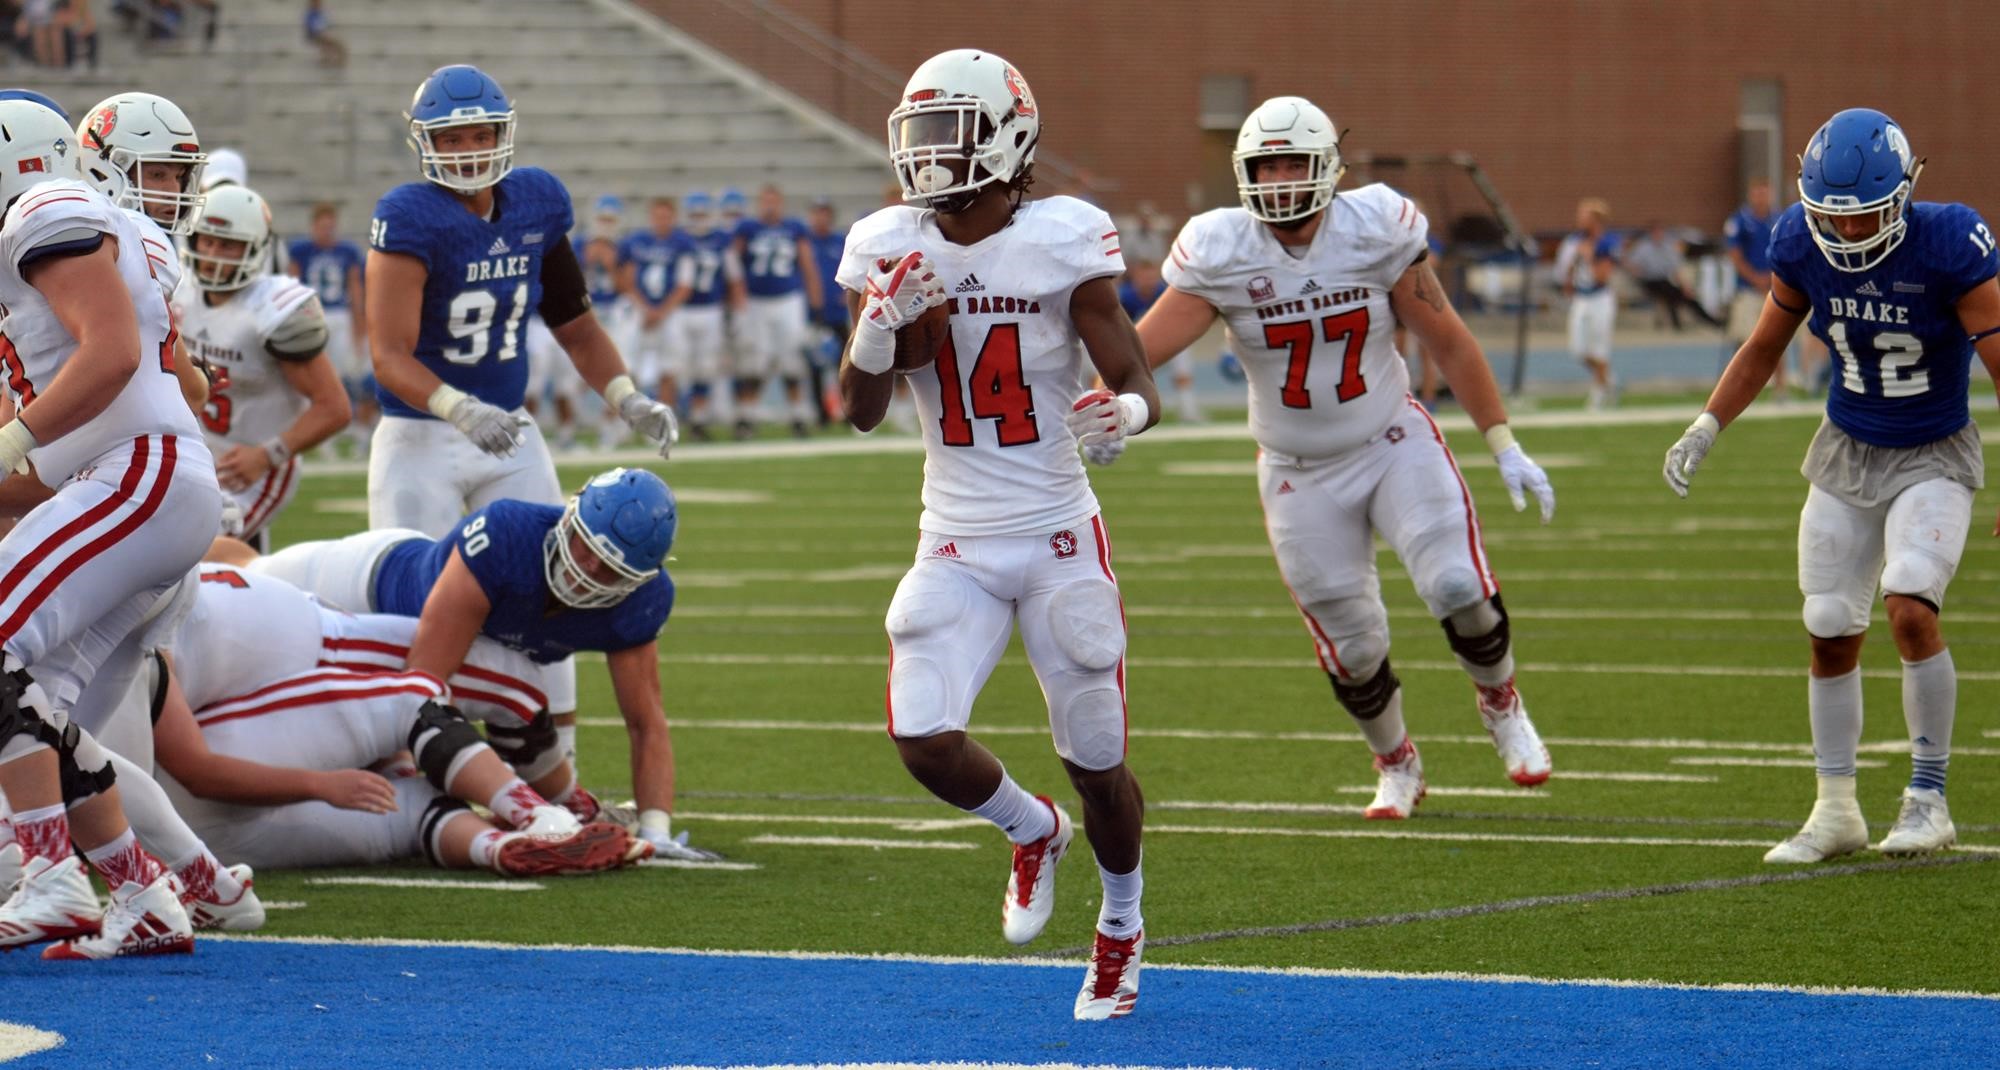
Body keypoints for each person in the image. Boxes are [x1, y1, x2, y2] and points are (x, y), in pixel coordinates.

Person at [1126, 94, 1555, 825]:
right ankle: (1396, 762)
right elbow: (1139, 351)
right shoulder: (1223, 247)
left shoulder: (1376, 227)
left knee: (1456, 584)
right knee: (1353, 645)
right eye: (1268, 164)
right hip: (1296, 465)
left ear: (1329, 166)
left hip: (1391, 438)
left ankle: (1500, 699)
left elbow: (1448, 340)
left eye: (1296, 162)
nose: (1282, 179)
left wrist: (1502, 441)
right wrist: (1115, 403)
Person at [840, 50, 1160, 1020]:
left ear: (1009, 137)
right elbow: (858, 411)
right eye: (920, 134)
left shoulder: (1062, 239)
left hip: (1057, 526)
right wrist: (873, 331)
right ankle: (1030, 829)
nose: (928, 155)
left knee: (1097, 757)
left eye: (950, 133)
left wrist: (1126, 416)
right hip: (955, 532)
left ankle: (1119, 923)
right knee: (920, 734)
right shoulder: (890, 241)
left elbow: (1132, 367)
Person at [1664, 108, 1999, 864]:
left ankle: (1928, 797)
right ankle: (1836, 808)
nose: (1849, 235)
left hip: (1933, 450)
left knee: (1911, 600)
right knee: (1826, 622)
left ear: (1906, 194)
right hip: (1846, 449)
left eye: (1866, 219)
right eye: (1834, 221)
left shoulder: (1950, 241)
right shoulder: (1795, 240)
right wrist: (1706, 425)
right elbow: (1763, 346)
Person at [365, 64, 678, 770]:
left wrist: (626, 396)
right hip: (421, 436)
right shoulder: (409, 215)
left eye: (481, 133)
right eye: (453, 137)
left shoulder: (536, 202)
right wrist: (455, 404)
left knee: (563, 591)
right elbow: (386, 355)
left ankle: (554, 765)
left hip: (510, 433)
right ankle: (403, 760)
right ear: (425, 144)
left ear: (504, 132)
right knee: (404, 608)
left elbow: (575, 323)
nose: (470, 148)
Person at [224, 467, 718, 861]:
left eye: (609, 568)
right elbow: (419, 690)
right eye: (584, 547)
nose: (585, 569)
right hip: (364, 592)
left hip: (468, 654)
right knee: (240, 574)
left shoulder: (642, 602)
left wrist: (658, 830)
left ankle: (570, 806)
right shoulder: (508, 536)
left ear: (639, 579)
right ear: (569, 517)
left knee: (521, 702)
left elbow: (644, 722)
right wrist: (408, 778)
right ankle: (212, 536)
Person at [0, 100, 223, 959]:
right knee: (31, 704)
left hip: (140, 476)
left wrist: (12, 438)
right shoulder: (85, 237)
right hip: (137, 481)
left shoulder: (41, 213)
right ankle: (142, 890)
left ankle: (51, 875)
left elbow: (115, 357)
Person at [143, 564, 635, 873]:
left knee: (402, 809)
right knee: (412, 700)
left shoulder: (141, 585)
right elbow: (196, 769)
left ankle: (499, 849)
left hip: (177, 828)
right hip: (193, 788)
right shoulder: (144, 628)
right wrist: (320, 784)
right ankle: (542, 815)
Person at [178, 185, 350, 551]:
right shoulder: (180, 293)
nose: (213, 255)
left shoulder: (272, 309)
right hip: (198, 454)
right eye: (207, 241)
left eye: (228, 245)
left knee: (200, 551)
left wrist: (268, 454)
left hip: (255, 468)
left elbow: (334, 407)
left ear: (256, 249)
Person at [732, 184, 822, 437]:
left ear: (781, 203)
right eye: (765, 200)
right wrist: (736, 298)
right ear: (760, 203)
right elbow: (732, 265)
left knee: (791, 358)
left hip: (788, 300)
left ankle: (798, 416)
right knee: (753, 360)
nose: (770, 205)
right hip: (755, 302)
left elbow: (807, 265)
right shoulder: (747, 229)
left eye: (774, 200)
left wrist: (816, 306)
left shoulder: (794, 228)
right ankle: (746, 417)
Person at [288, 202, 373, 454]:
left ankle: (358, 429)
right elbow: (290, 287)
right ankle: (322, 434)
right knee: (322, 376)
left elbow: (356, 291)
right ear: (313, 226)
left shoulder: (347, 251)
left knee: (354, 375)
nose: (327, 231)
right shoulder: (300, 250)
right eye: (322, 226)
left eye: (330, 226)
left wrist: (360, 329)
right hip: (312, 315)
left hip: (340, 315)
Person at [664, 191, 744, 440]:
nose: (698, 219)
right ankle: (670, 420)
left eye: (702, 214)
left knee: (705, 368)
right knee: (676, 366)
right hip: (680, 310)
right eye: (694, 214)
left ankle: (698, 421)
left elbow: (734, 277)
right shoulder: (677, 239)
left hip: (711, 309)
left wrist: (737, 307)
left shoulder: (721, 239)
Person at [615, 196, 683, 417]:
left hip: (669, 313)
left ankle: (665, 418)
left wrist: (662, 312)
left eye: (666, 216)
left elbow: (685, 282)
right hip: (639, 312)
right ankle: (628, 421)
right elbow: (626, 280)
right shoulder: (636, 242)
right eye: (658, 216)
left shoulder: (682, 244)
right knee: (629, 368)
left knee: (668, 369)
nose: (661, 221)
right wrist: (645, 308)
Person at [1724, 177, 1794, 392]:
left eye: (1765, 192)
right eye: (1758, 192)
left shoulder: (1779, 219)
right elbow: (1734, 255)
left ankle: (1780, 387)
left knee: (1775, 338)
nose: (1762, 197)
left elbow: (1787, 251)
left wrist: (1772, 278)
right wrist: (1755, 278)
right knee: (1744, 339)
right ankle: (1736, 386)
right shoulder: (1740, 221)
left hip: (1774, 288)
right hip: (1747, 289)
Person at [1553, 198, 1619, 409]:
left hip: (1600, 298)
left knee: (1599, 348)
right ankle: (1608, 380)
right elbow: (1569, 267)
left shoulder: (1604, 243)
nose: (1580, 220)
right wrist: (1568, 282)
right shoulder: (1576, 240)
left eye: (1585, 216)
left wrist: (1589, 256)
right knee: (1578, 348)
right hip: (1582, 298)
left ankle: (1598, 395)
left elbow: (1602, 276)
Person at [1118, 259, 1202, 422]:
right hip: (1133, 346)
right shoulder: (1126, 296)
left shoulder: (1163, 293)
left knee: (1182, 359)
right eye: (1144, 277)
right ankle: (1124, 411)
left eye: (1151, 277)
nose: (1148, 281)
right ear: (1136, 277)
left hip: (1161, 341)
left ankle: (1188, 410)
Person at [1625, 221, 1722, 331]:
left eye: (1660, 232)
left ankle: (1712, 321)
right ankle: (1677, 323)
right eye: (1656, 232)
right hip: (1649, 281)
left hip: (1664, 281)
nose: (1658, 235)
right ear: (1651, 233)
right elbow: (1629, 262)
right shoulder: (1644, 247)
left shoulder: (1667, 248)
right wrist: (1637, 272)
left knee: (1683, 295)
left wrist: (1685, 287)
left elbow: (1675, 270)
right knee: (1670, 292)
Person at [805, 195, 848, 425]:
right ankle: (820, 413)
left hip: (837, 312)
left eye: (824, 213)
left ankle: (849, 410)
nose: (820, 217)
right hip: (813, 314)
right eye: (816, 212)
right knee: (814, 367)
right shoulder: (805, 242)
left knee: (846, 365)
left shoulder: (840, 241)